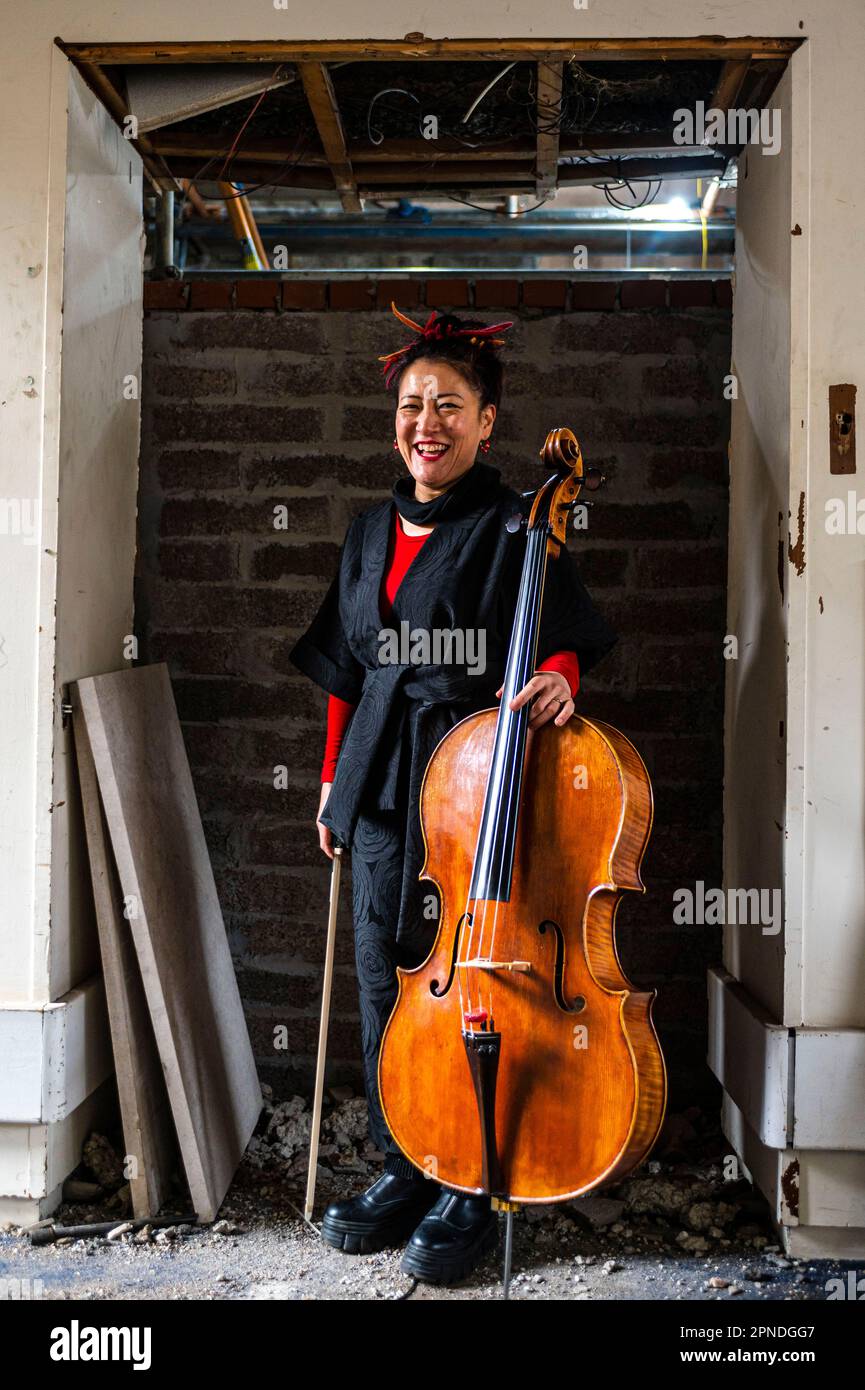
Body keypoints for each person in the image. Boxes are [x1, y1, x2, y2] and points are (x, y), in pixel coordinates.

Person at [289, 304, 617, 1284]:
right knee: (389, 987)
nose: (425, 420)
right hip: (380, 786)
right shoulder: (363, 531)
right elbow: (348, 672)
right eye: (410, 403)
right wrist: (327, 787)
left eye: (449, 405)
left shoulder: (514, 521)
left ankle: (469, 1182)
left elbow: (551, 634)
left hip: (472, 786)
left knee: (473, 986)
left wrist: (560, 675)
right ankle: (407, 1162)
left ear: (484, 423)